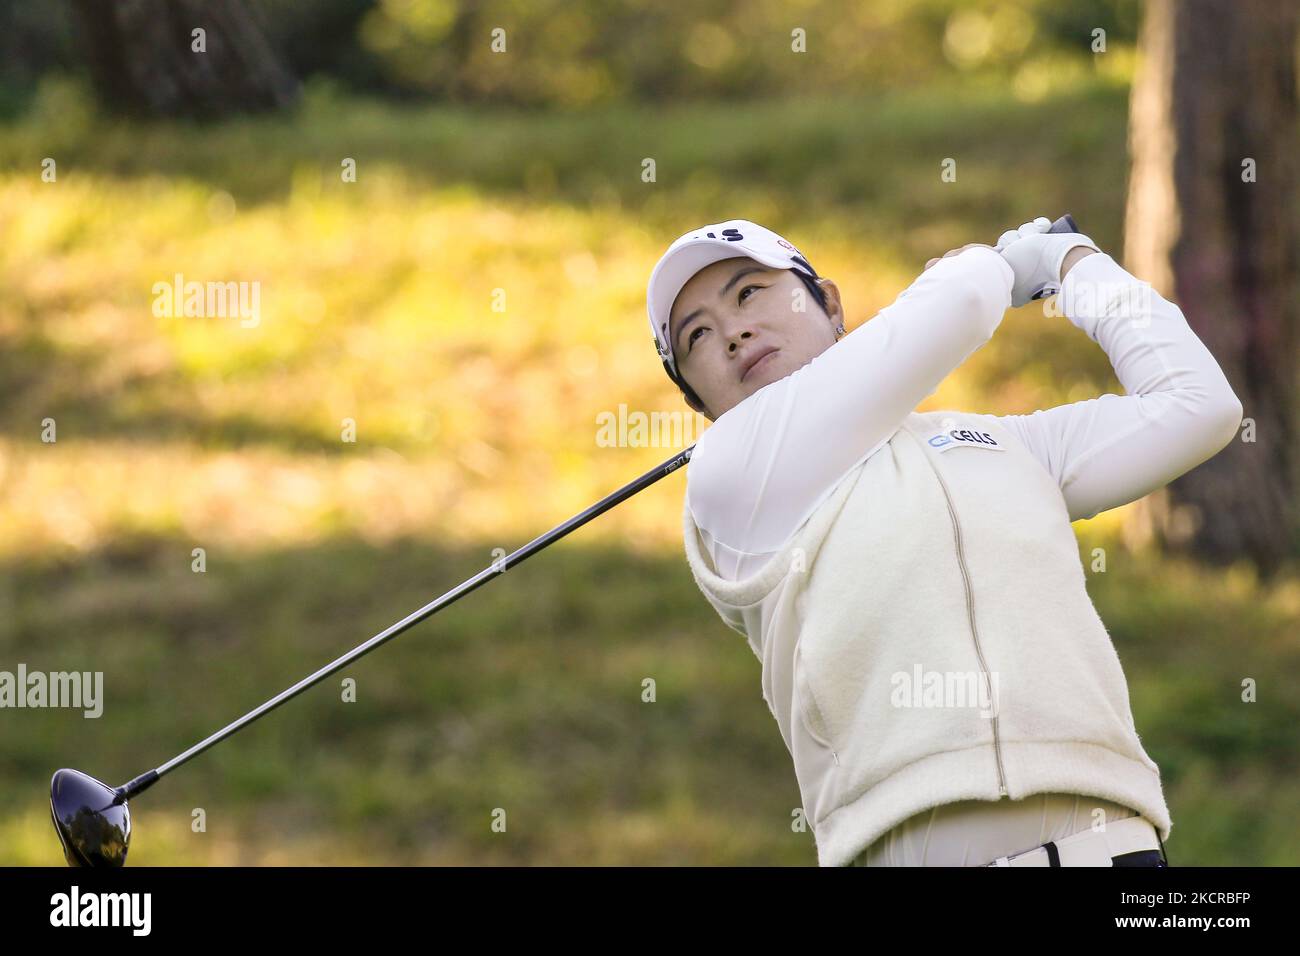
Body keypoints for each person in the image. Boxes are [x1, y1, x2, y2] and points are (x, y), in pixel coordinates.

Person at [645, 217, 1244, 866]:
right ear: (697, 403)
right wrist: (1009, 261)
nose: (733, 332)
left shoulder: (1008, 446)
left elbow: (1198, 404)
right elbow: (959, 303)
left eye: (749, 293)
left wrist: (1076, 263)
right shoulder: (731, 479)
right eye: (696, 335)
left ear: (832, 304)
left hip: (1120, 851)